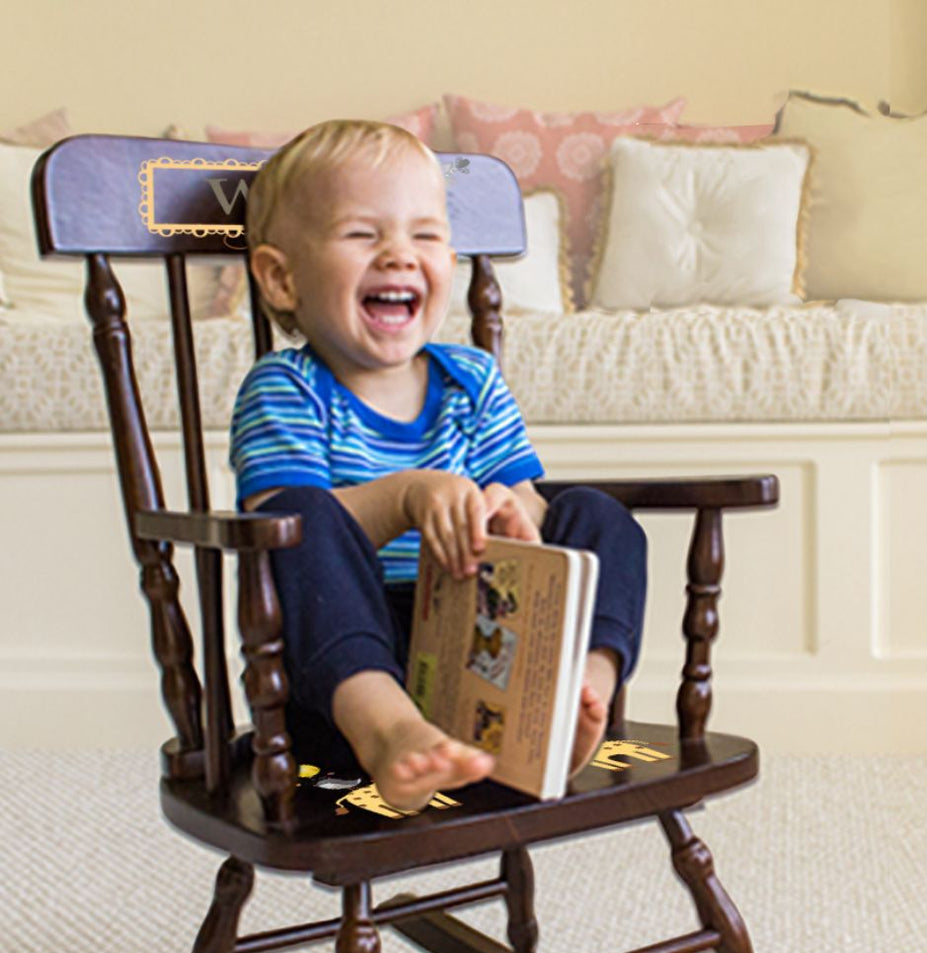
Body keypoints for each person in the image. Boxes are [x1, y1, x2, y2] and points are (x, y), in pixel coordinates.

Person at [230, 119, 646, 812]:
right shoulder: (286, 389)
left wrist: (515, 516)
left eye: (425, 235)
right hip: (343, 679)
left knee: (598, 517)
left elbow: (525, 506)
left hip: (483, 667)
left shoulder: (471, 380)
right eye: (363, 234)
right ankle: (392, 734)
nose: (399, 255)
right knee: (292, 521)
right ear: (281, 277)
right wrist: (406, 497)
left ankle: (575, 701)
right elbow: (285, 547)